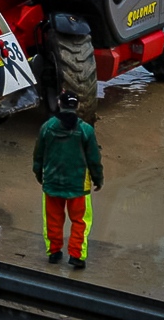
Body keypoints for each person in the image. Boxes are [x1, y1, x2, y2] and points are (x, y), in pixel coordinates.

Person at [33, 91, 103, 269]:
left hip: (52, 183)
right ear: (77, 106)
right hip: (78, 185)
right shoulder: (85, 130)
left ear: (59, 103)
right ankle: (76, 256)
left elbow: (38, 155)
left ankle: (54, 252)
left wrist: (39, 174)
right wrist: (98, 179)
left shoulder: (47, 127)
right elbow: (94, 159)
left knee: (53, 219)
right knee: (80, 221)